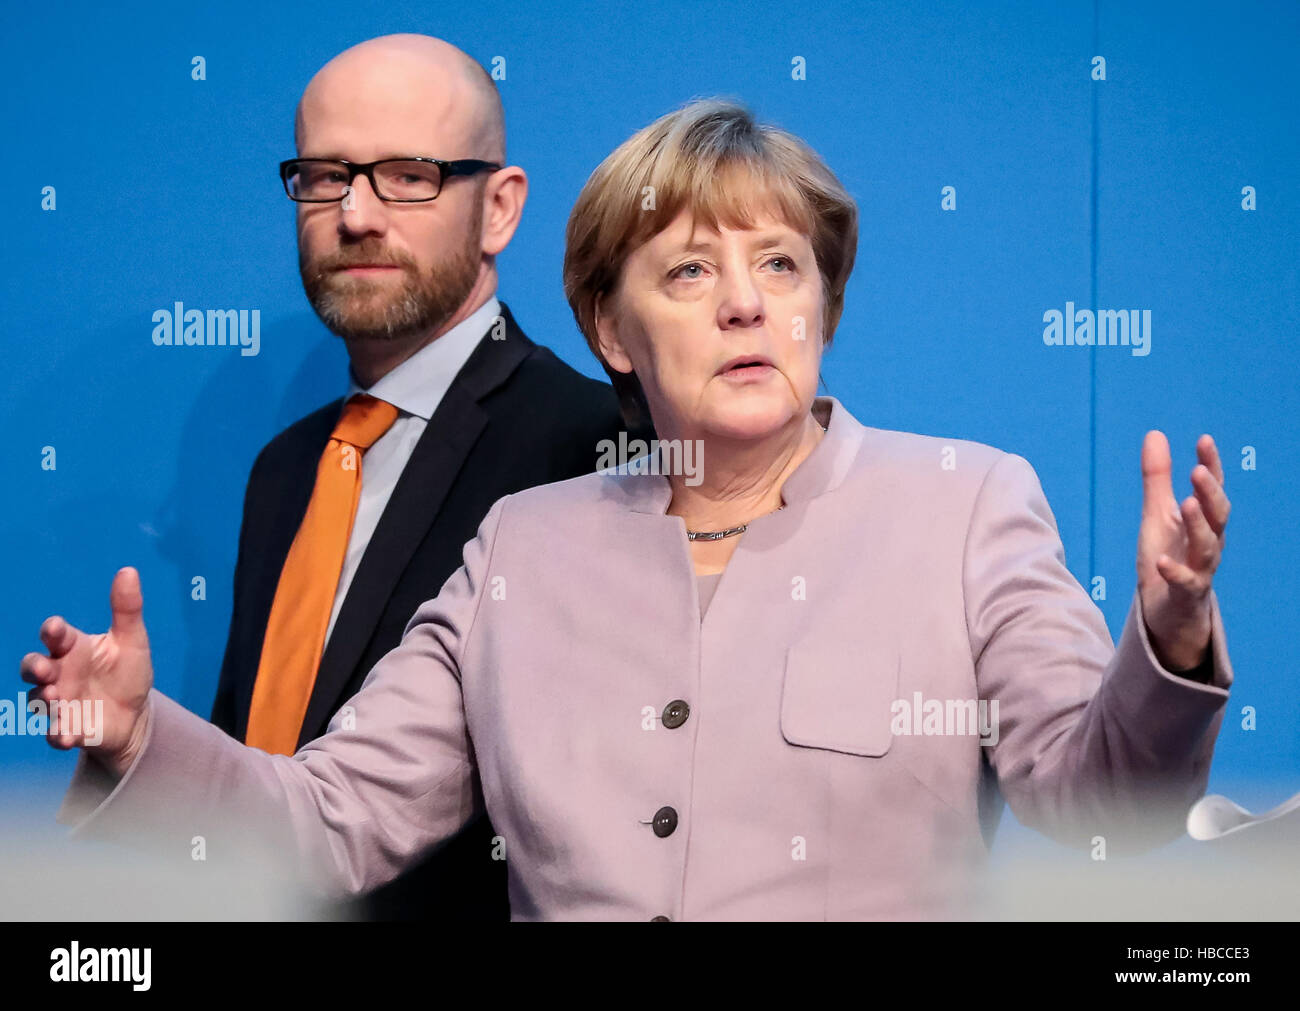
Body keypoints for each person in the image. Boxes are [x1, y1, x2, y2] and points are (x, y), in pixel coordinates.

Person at [24, 98, 1235, 920]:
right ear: (611, 328)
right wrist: (139, 740)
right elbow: (329, 822)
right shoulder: (521, 547)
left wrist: (1169, 642)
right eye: (691, 271)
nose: (746, 305)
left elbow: (1099, 812)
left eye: (779, 266)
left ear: (823, 304)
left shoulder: (965, 505)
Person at [212, 34, 637, 920]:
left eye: (408, 175)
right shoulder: (283, 469)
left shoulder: (595, 453)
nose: (357, 215)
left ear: (500, 209)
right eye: (325, 175)